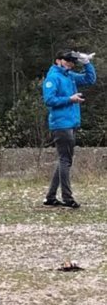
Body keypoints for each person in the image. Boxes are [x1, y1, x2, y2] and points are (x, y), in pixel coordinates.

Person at [43, 50, 96, 209]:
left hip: (71, 123)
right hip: (61, 124)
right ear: (58, 61)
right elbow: (49, 100)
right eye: (68, 61)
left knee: (63, 160)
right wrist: (69, 99)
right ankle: (67, 197)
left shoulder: (70, 76)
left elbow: (89, 79)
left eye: (72, 62)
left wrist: (87, 63)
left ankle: (51, 197)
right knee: (66, 160)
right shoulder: (52, 78)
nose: (71, 64)